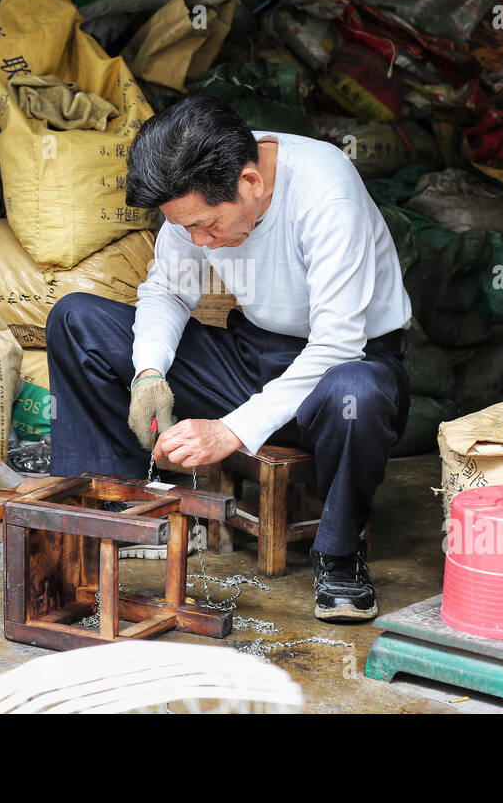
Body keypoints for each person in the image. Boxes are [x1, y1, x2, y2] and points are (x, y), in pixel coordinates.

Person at [46, 94, 411, 622]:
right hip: (254, 356)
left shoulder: (325, 195)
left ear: (251, 183)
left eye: (206, 226)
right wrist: (149, 371)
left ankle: (339, 556)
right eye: (184, 228)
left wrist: (230, 432)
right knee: (78, 320)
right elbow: (169, 291)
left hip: (348, 366)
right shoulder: (197, 186)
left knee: (357, 394)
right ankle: (117, 510)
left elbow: (336, 346)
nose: (199, 242)